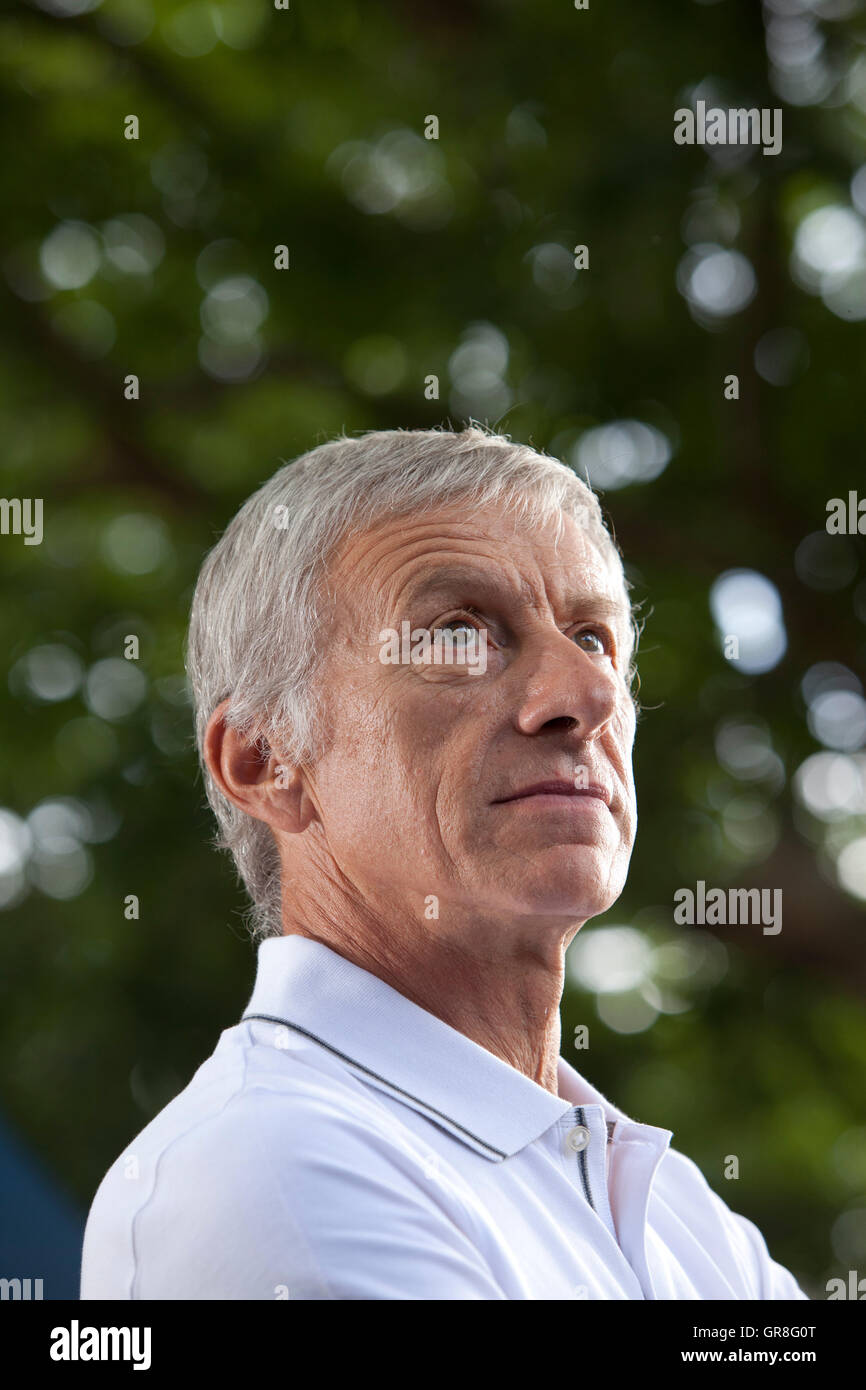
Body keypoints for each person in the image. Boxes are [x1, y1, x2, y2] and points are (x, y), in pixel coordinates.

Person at [80, 426, 808, 1300]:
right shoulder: (271, 1167)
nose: (588, 694)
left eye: (595, 638)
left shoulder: (675, 1209)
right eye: (459, 634)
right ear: (265, 762)